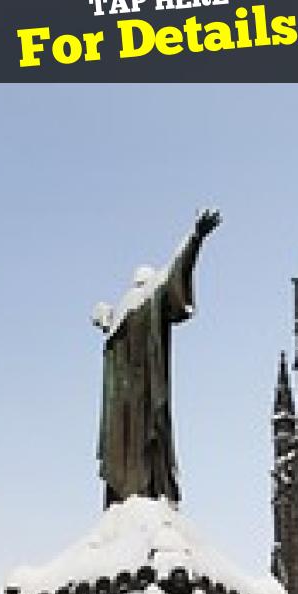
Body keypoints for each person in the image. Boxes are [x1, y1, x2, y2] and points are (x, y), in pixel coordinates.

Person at [94, 209, 221, 507]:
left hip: (135, 397)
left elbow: (175, 270)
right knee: (139, 443)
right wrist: (196, 237)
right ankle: (138, 494)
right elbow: (175, 272)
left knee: (136, 445)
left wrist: (195, 239)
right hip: (134, 397)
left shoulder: (134, 304)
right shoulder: (137, 302)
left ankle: (136, 494)